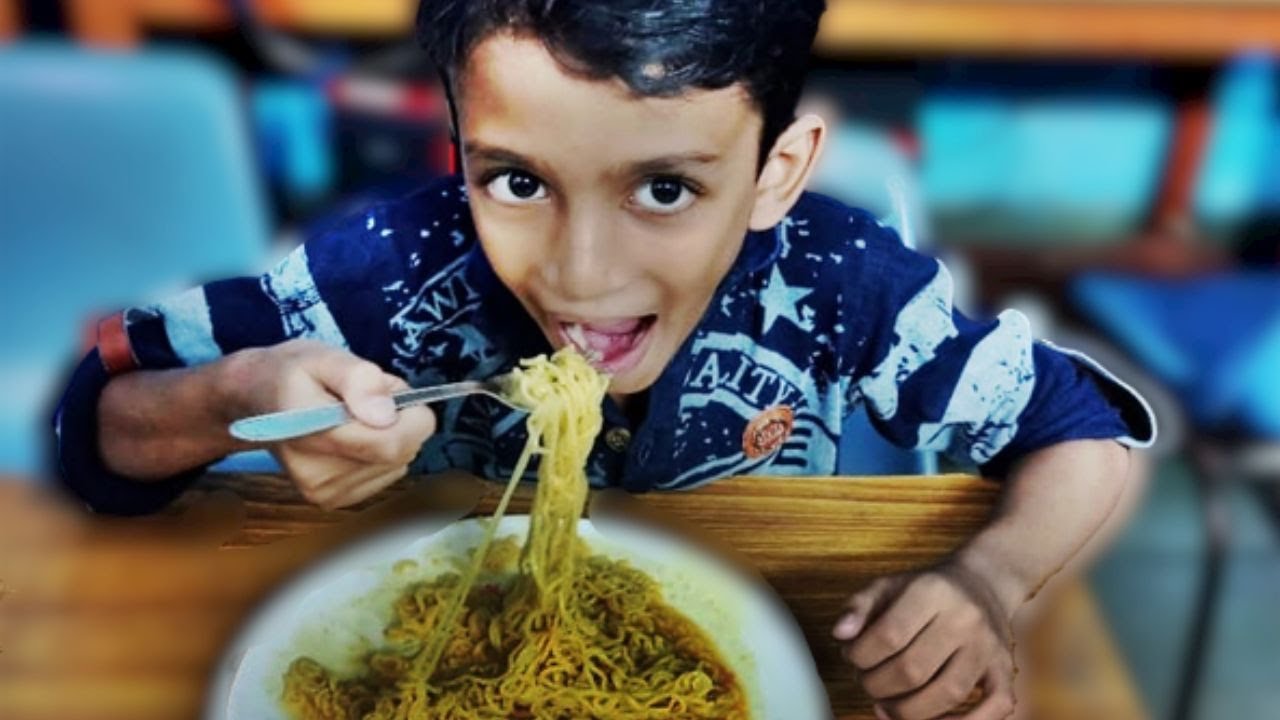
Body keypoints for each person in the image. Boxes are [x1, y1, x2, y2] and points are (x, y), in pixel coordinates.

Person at [51, 2, 1155, 718]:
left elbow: (1083, 434)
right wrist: (240, 393)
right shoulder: (388, 268)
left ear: (777, 169)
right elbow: (95, 423)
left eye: (664, 188)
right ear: (459, 142)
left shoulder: (841, 280)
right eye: (516, 181)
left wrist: (988, 580)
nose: (581, 279)